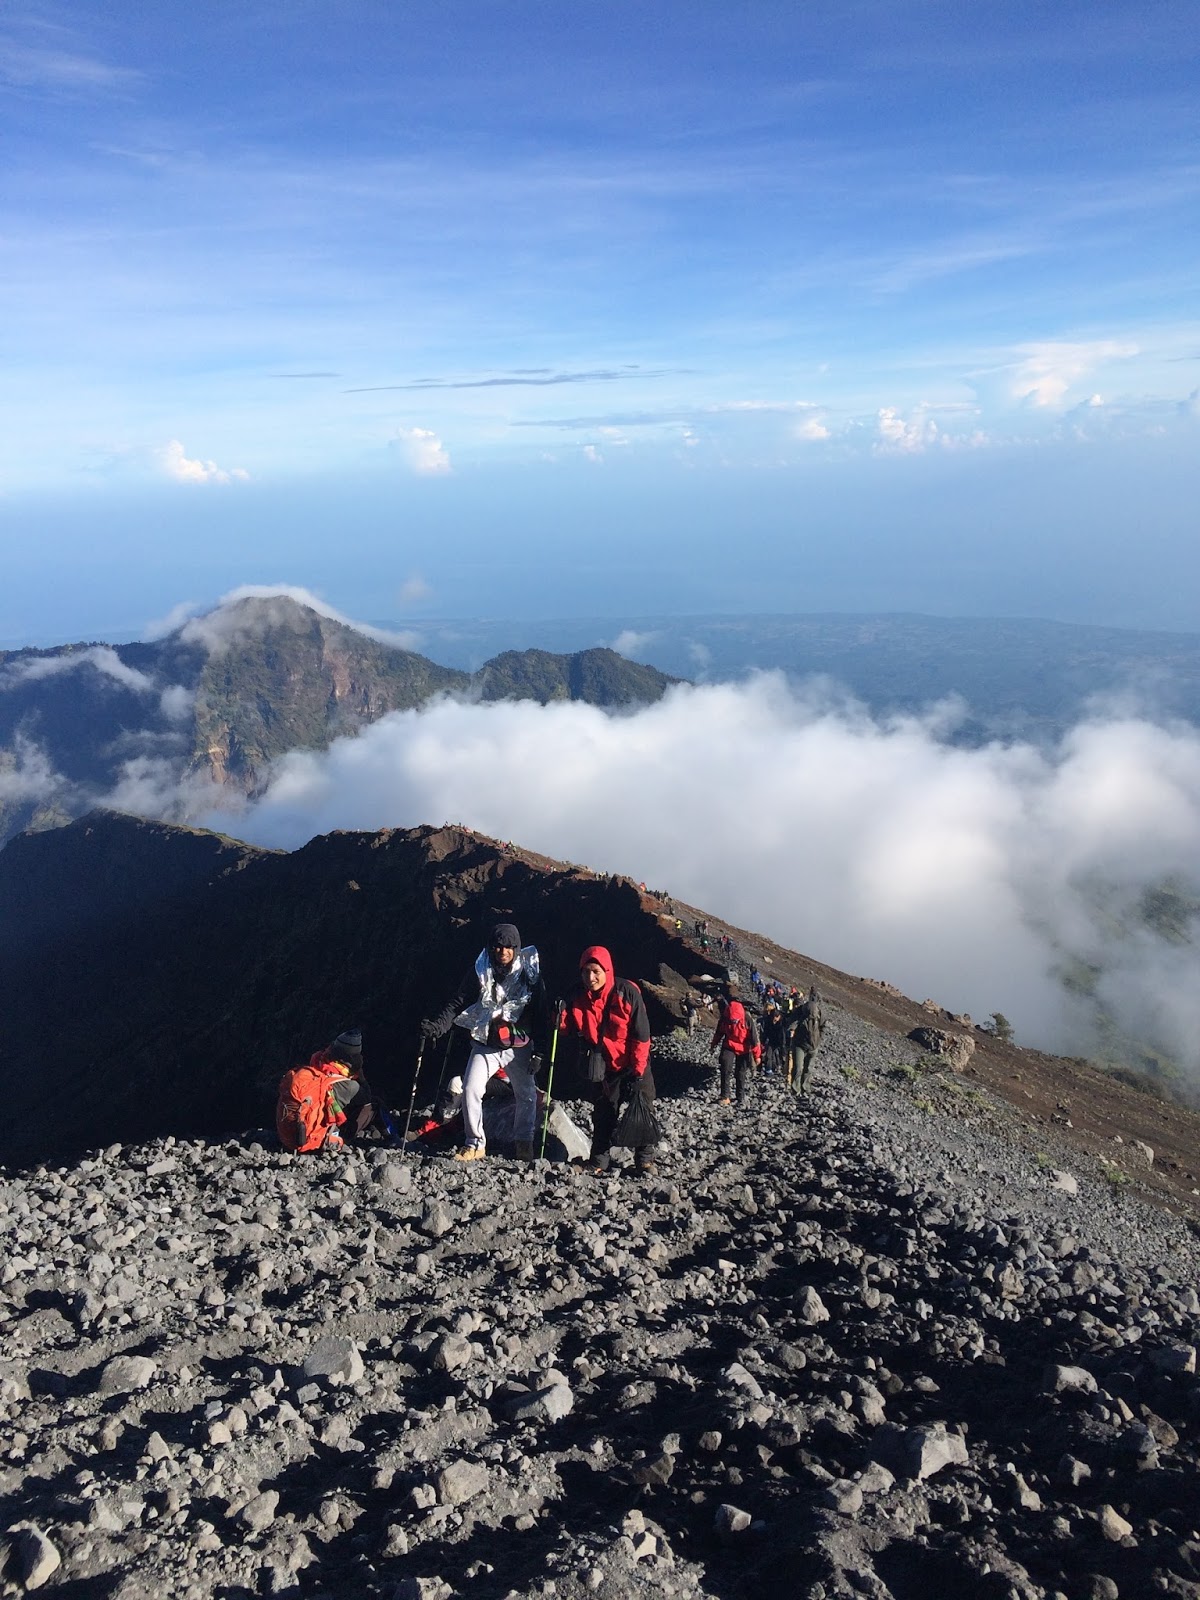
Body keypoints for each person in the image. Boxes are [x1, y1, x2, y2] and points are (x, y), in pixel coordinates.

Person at [421, 922, 547, 1162]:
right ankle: (475, 1143)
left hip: (519, 1044)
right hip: (487, 1042)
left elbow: (540, 1015)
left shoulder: (530, 975)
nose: (503, 952)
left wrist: (539, 1052)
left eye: (509, 947)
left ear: (517, 948)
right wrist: (438, 1027)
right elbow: (458, 1002)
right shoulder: (480, 971)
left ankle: (524, 1142)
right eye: (498, 946)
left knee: (526, 1093)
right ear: (491, 947)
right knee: (470, 1088)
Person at [559, 944, 657, 1177]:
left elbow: (641, 1035)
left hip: (633, 1062)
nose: (590, 977)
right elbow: (564, 1029)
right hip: (605, 1066)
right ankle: (599, 1161)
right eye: (586, 972)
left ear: (607, 971)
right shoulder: (576, 996)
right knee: (604, 1113)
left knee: (643, 1106)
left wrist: (638, 1071)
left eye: (596, 972)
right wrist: (559, 1013)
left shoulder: (627, 993)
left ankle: (644, 1160)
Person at [276, 1028, 379, 1152]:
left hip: (289, 1140)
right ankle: (392, 1139)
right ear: (353, 1059)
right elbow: (366, 1096)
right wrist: (360, 1075)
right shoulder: (349, 1087)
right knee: (374, 1104)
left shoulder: (316, 1066)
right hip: (317, 1141)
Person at [711, 991, 760, 1107]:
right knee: (725, 1067)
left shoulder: (747, 1019)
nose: (733, 1023)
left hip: (744, 1047)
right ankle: (725, 1096)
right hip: (729, 1044)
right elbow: (719, 1032)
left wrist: (757, 1056)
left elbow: (754, 1038)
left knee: (741, 1072)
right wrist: (713, 1044)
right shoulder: (725, 1017)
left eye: (735, 1021)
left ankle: (740, 1096)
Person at [788, 986, 825, 1093]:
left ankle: (805, 1087)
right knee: (798, 1067)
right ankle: (796, 1089)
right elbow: (793, 1022)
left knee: (808, 1068)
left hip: (813, 1045)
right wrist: (792, 1029)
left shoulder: (820, 1013)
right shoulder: (800, 1012)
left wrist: (819, 1038)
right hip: (800, 1044)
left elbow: (823, 1026)